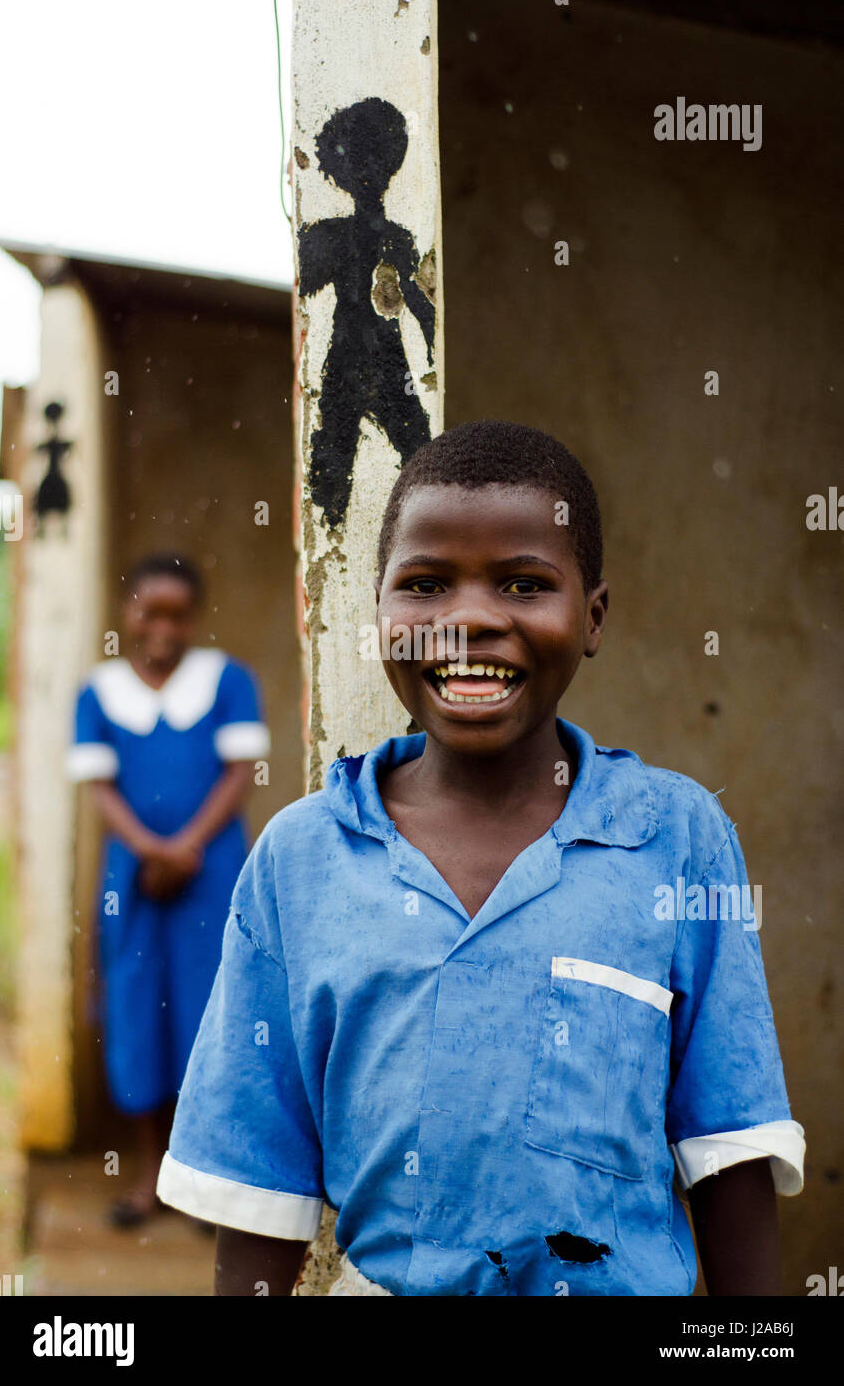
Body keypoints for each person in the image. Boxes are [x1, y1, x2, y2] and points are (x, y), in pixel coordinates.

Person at [156, 422, 804, 1295]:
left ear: (592, 617)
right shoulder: (301, 860)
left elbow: (728, 1157)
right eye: (424, 586)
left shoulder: (675, 838)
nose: (467, 620)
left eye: (523, 584)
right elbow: (258, 1188)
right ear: (379, 614)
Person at [67, 551, 269, 1227]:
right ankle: (145, 1177)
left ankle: (203, 1179)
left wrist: (184, 847)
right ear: (127, 610)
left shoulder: (228, 681)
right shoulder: (98, 693)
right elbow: (99, 786)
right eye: (149, 610)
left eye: (178, 614)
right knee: (135, 1010)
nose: (162, 626)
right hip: (134, 878)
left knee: (209, 1011)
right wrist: (151, 849)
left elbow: (238, 774)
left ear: (194, 619)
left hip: (210, 872)